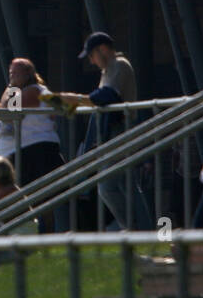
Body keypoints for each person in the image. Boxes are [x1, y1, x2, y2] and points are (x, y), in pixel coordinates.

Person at [49, 32, 151, 231]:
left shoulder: (119, 65)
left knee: (113, 186)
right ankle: (135, 230)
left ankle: (137, 230)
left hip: (121, 131)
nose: (91, 61)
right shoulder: (108, 70)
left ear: (103, 50)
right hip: (112, 133)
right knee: (118, 185)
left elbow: (107, 96)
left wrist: (75, 99)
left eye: (92, 55)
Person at [0, 58, 64, 188]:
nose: (12, 77)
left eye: (16, 73)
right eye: (11, 73)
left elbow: (10, 107)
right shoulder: (23, 91)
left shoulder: (34, 90)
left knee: (35, 199)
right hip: (22, 153)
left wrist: (10, 88)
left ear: (28, 74)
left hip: (34, 152)